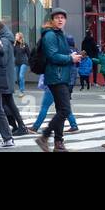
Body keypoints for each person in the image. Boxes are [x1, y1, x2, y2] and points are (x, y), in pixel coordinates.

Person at [36, 8, 83, 153]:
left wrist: (72, 56)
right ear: (52, 20)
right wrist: (70, 58)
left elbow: (60, 54)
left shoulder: (59, 34)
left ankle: (58, 142)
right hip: (56, 76)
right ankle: (44, 136)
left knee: (60, 110)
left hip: (61, 75)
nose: (60, 19)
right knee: (65, 110)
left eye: (63, 17)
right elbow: (53, 56)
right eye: (57, 17)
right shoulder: (50, 35)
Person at [0, 20, 27, 136]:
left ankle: (18, 126)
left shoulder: (4, 41)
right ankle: (17, 126)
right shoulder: (6, 39)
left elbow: (3, 59)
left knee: (6, 104)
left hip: (4, 77)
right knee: (8, 103)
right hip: (6, 77)